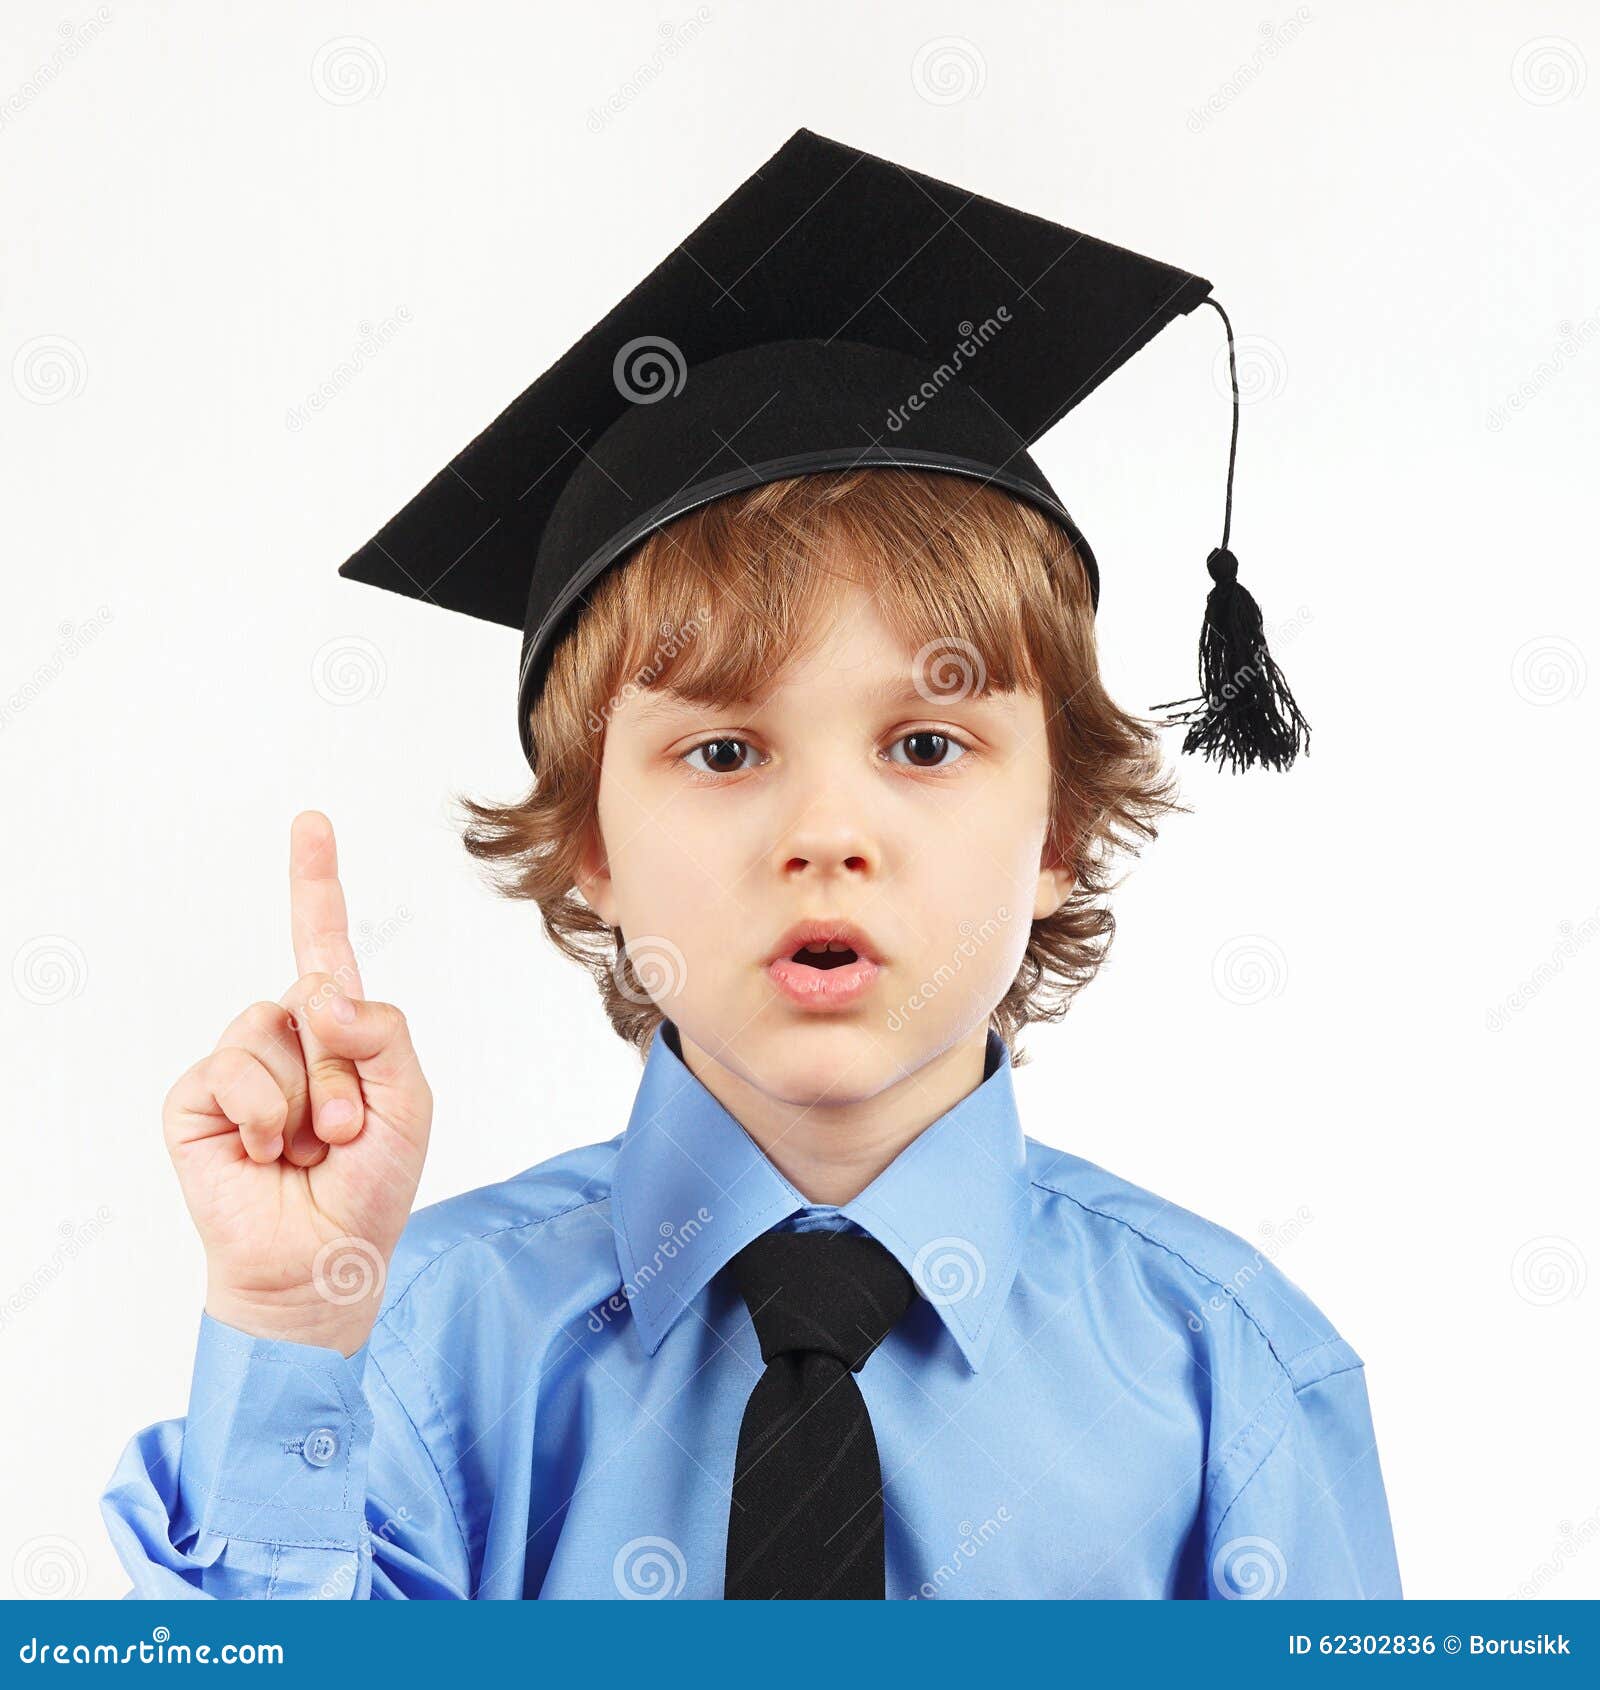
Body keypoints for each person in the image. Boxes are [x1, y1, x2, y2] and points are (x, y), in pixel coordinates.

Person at [101, 130, 1399, 1600]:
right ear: (590, 842)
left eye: (923, 744)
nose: (823, 834)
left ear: (1060, 831)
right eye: (724, 753)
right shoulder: (405, 1355)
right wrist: (286, 1325)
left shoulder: (1228, 1377)